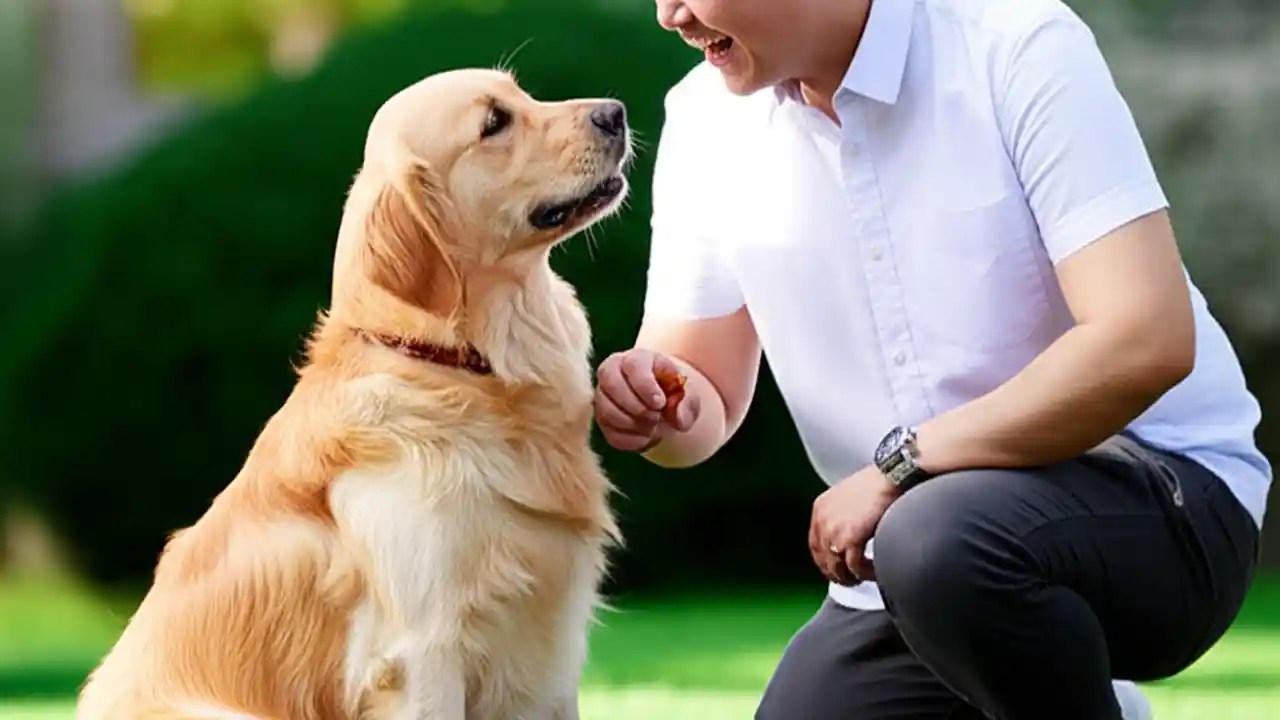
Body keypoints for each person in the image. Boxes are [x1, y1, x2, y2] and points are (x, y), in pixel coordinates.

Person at [591, 0, 1271, 718]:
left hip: (1162, 500)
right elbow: (704, 394)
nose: (672, 14)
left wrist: (901, 466)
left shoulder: (1015, 45)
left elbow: (1146, 338)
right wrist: (659, 401)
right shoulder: (704, 120)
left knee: (940, 542)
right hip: (909, 559)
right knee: (925, 558)